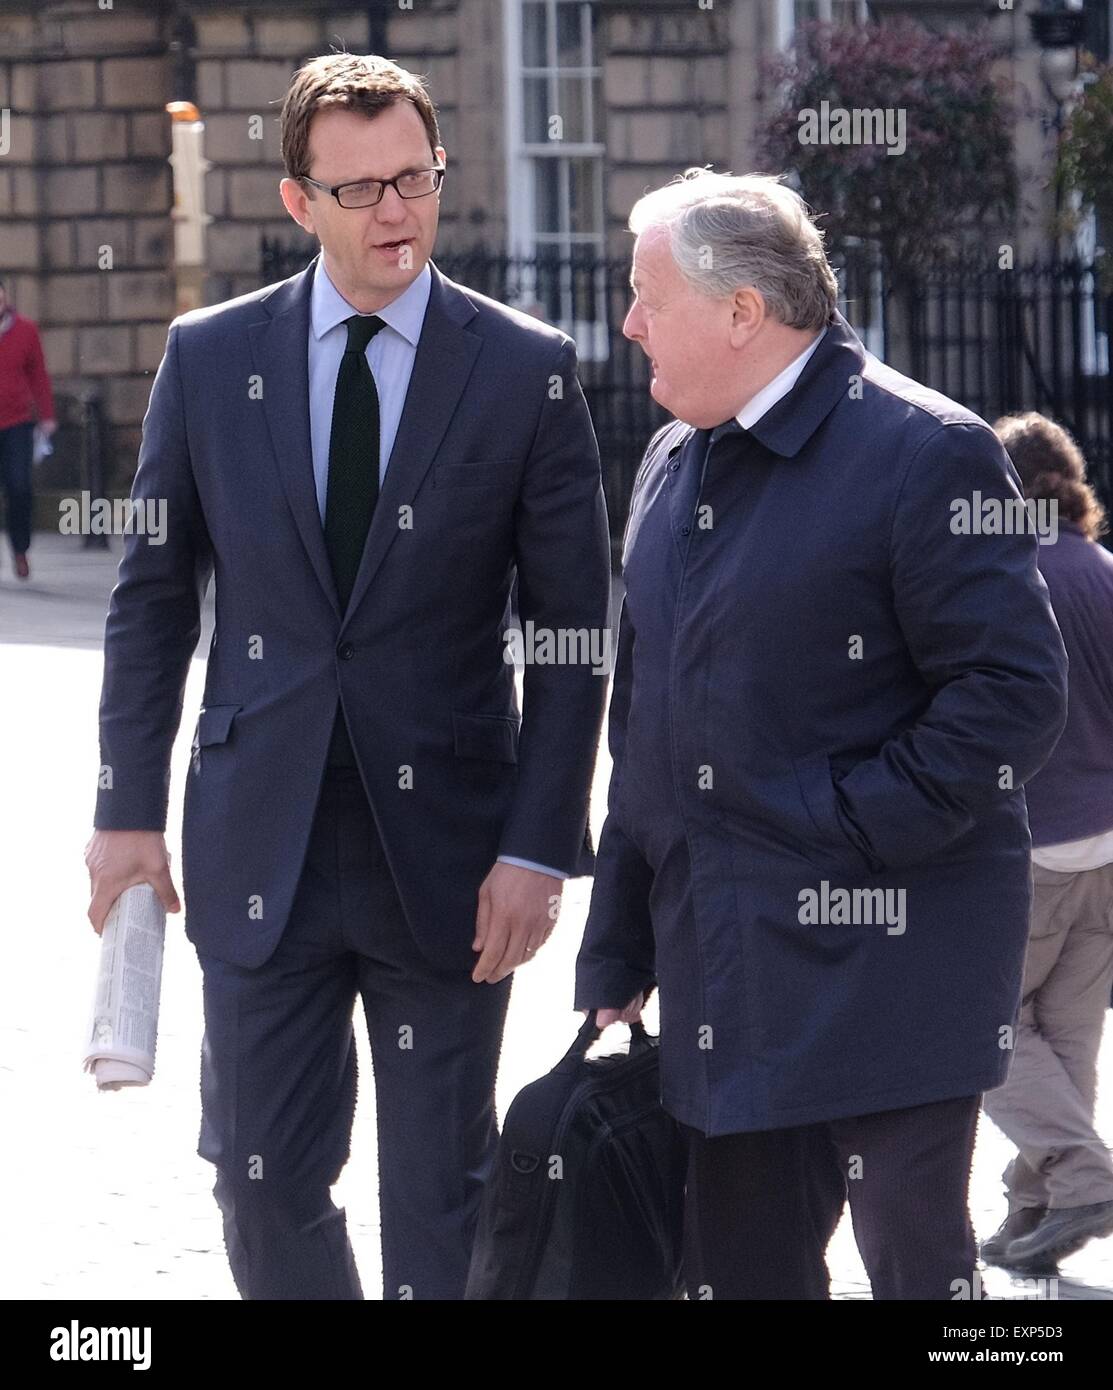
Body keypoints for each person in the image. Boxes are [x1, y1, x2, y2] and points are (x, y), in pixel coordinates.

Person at [83, 53, 610, 1300]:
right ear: (296, 203)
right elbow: (151, 600)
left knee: (443, 1191)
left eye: (415, 179)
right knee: (262, 1181)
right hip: (256, 840)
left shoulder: (522, 367)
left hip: (448, 856)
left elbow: (576, 630)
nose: (396, 213)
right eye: (362, 187)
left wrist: (541, 846)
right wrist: (123, 813)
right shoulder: (210, 359)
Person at [574, 169, 1069, 1300]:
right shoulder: (666, 460)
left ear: (742, 311)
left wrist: (835, 825)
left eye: (648, 296)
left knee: (921, 1272)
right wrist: (617, 937)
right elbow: (642, 721)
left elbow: (1012, 694)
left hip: (895, 955)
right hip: (725, 961)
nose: (628, 322)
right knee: (740, 1273)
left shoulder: (922, 449)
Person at [979, 412, 1113, 1272]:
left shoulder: (1004, 576)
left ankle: (1086, 1178)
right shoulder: (1102, 569)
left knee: (974, 1026)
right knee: (1064, 1040)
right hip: (1107, 845)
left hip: (1034, 841)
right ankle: (1038, 1212)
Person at [0, 276, 56, 580]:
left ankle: (20, 549)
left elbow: (39, 375)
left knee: (19, 486)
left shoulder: (26, 330)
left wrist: (47, 416)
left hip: (18, 422)